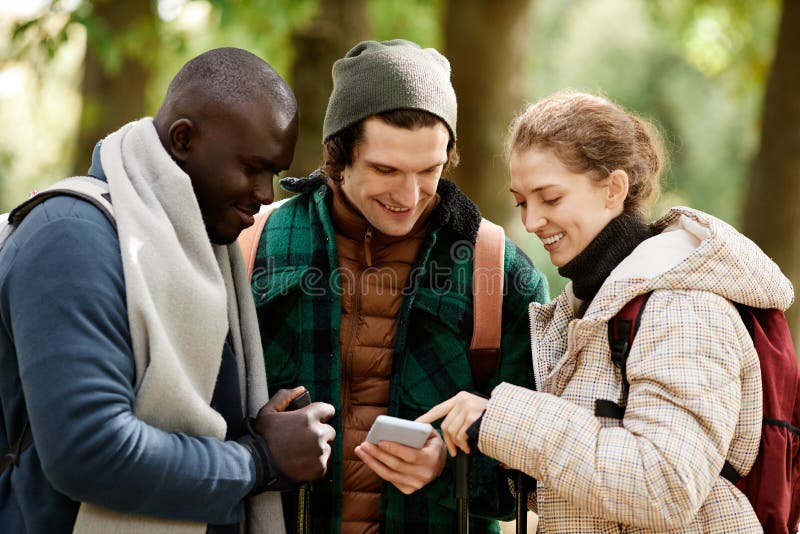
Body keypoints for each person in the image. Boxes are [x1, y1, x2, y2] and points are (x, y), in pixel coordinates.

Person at [420, 90, 795, 532]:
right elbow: (585, 487)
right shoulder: (587, 310)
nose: (531, 221)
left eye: (550, 198)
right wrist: (444, 463)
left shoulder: (683, 307)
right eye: (522, 201)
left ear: (614, 189)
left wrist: (508, 417)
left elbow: (666, 486)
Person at [0, 47, 336, 534]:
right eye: (252, 168)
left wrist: (255, 432)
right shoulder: (71, 236)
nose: (266, 194)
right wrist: (258, 461)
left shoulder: (200, 246)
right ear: (183, 139)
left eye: (274, 173)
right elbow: (89, 451)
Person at [247, 39, 549, 533]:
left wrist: (451, 469)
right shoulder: (251, 246)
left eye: (428, 171)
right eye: (385, 170)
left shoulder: (504, 273)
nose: (408, 197)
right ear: (336, 157)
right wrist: (259, 444)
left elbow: (537, 471)